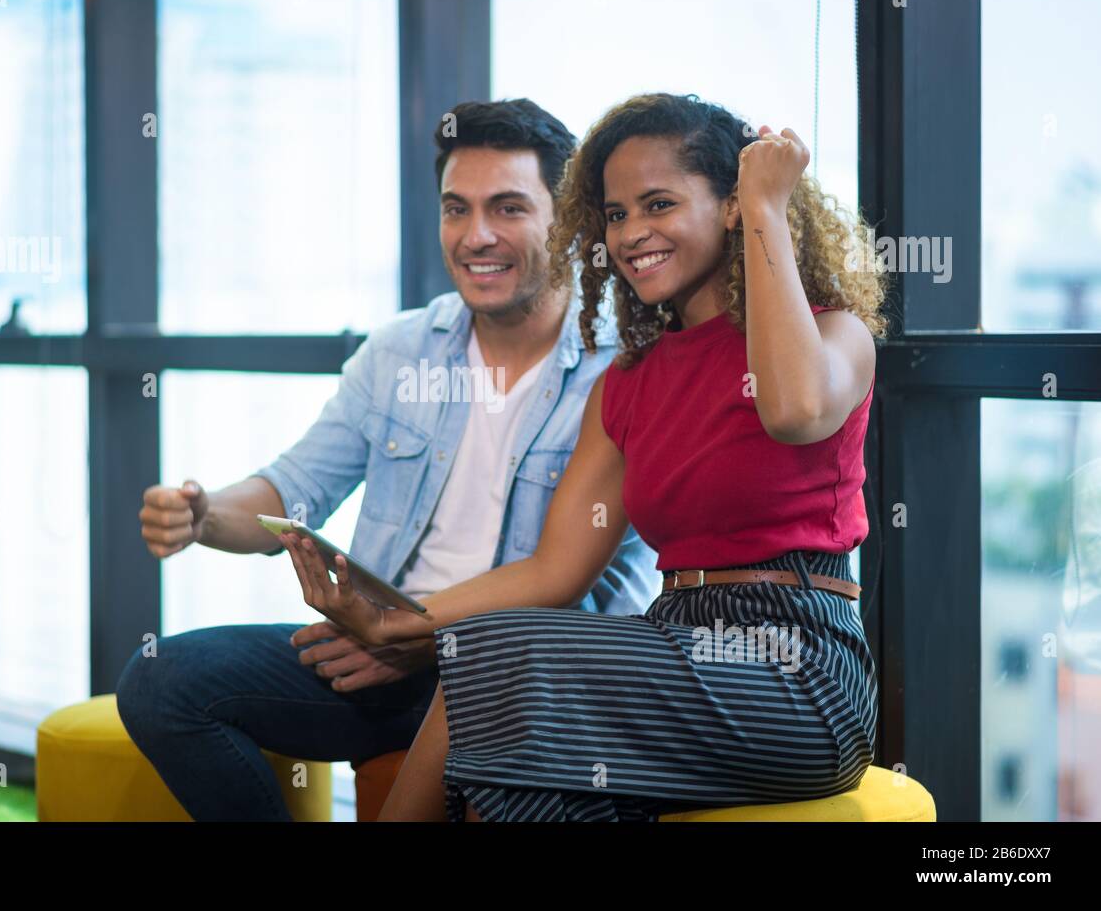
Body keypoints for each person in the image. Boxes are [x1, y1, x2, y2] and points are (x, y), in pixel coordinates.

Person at [279, 91, 889, 821]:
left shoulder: (835, 333)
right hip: (672, 639)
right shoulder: (627, 380)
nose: (633, 233)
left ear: (729, 205)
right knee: (521, 787)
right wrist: (396, 623)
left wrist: (765, 207)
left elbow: (793, 410)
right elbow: (554, 570)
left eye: (659, 204)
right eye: (618, 213)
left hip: (796, 663)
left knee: (485, 657)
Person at [116, 98, 660, 820]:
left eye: (507, 208)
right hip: (378, 656)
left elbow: (585, 592)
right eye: (456, 209)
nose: (477, 237)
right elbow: (293, 490)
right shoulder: (401, 351)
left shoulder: (624, 367)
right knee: (162, 681)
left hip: (517, 677)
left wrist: (427, 640)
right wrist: (204, 514)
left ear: (567, 222)